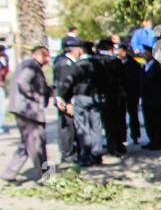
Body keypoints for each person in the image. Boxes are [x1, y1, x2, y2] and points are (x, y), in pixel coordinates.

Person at [1, 44, 54, 183]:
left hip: (22, 109)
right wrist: (37, 97)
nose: (48, 59)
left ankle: (9, 173)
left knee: (26, 144)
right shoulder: (31, 66)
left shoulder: (27, 64)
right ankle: (45, 176)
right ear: (39, 55)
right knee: (37, 143)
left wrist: (48, 90)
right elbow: (23, 82)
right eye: (46, 56)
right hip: (29, 111)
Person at [54, 37, 105, 166]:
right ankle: (97, 154)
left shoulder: (77, 65)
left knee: (83, 127)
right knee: (96, 126)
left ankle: (86, 156)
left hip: (81, 97)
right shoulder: (99, 64)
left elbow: (69, 82)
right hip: (96, 97)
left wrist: (61, 96)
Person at [93, 38, 128, 156]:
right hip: (114, 95)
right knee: (116, 121)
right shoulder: (114, 61)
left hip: (101, 95)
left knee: (106, 122)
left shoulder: (95, 61)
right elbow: (123, 78)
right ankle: (117, 145)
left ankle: (111, 145)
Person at [51, 36, 83, 161]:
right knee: (67, 127)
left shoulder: (68, 62)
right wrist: (65, 102)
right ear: (73, 49)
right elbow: (63, 85)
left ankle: (72, 151)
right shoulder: (65, 64)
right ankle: (68, 153)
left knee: (71, 127)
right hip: (66, 101)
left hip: (68, 99)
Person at [140, 44, 161, 149]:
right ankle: (152, 140)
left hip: (156, 99)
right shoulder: (144, 67)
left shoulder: (158, 67)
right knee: (148, 120)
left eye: (146, 53)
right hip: (146, 99)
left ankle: (158, 142)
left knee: (157, 120)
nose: (144, 55)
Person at [119, 40, 142, 144]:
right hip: (120, 94)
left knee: (133, 115)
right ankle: (122, 137)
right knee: (121, 116)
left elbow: (137, 79)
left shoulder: (134, 64)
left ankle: (135, 135)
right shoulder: (115, 62)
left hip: (132, 93)